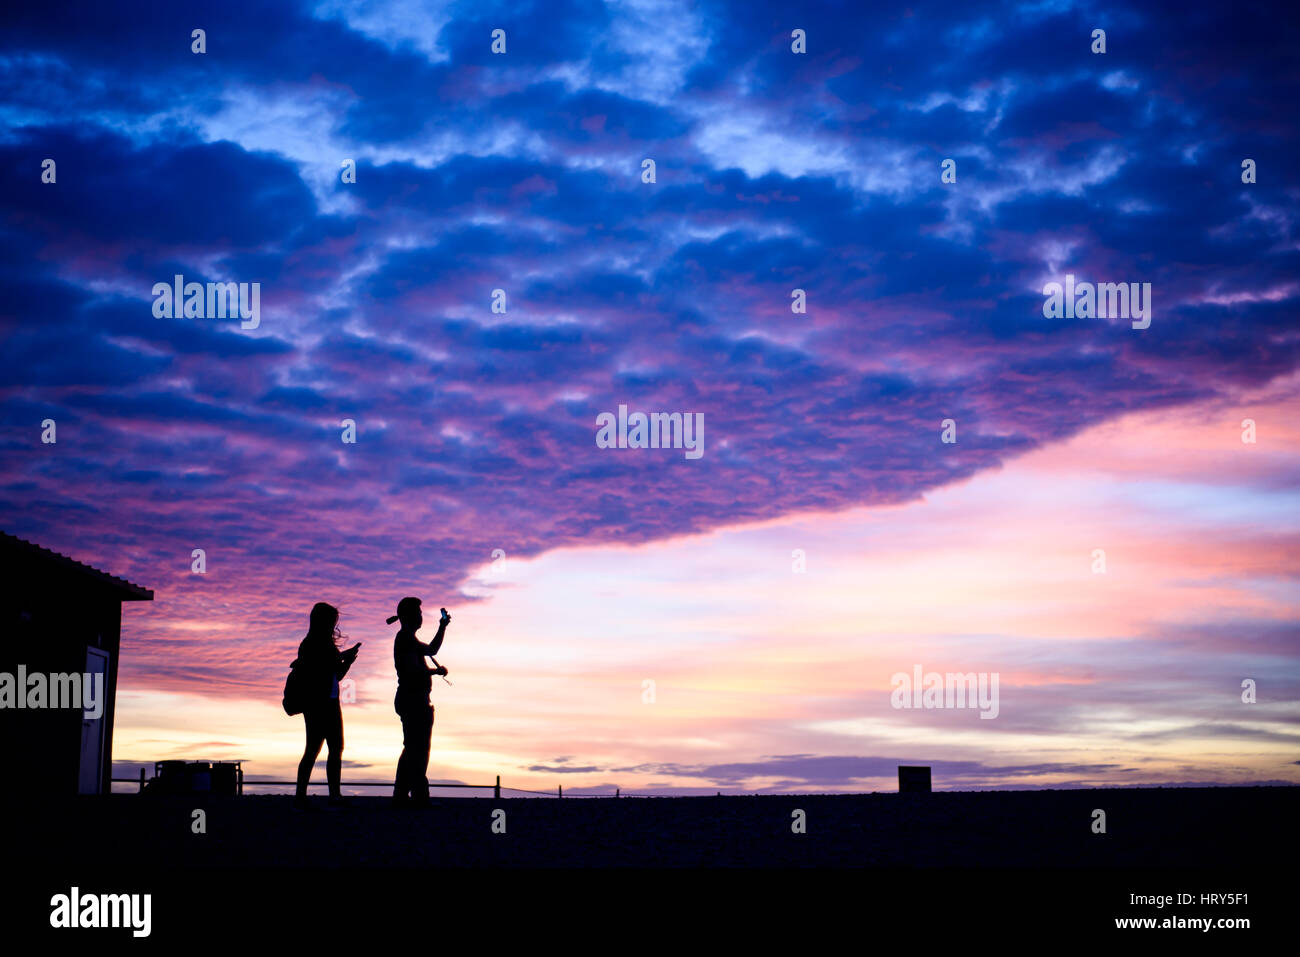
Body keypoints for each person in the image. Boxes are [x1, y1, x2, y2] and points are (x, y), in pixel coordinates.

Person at [293, 602, 360, 810]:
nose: (333, 625)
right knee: (314, 748)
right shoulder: (310, 644)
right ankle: (303, 797)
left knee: (334, 747)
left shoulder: (324, 645)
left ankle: (333, 795)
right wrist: (341, 657)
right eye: (331, 621)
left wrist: (346, 662)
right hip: (316, 703)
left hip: (331, 702)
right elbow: (319, 667)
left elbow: (335, 675)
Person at [389, 596, 449, 806]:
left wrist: (442, 627)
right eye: (419, 613)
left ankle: (402, 795)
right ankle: (418, 797)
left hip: (412, 699)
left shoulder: (408, 639)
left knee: (412, 748)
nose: (421, 617)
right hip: (413, 700)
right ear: (410, 616)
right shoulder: (405, 639)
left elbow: (431, 649)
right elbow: (412, 670)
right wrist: (434, 671)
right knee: (419, 750)